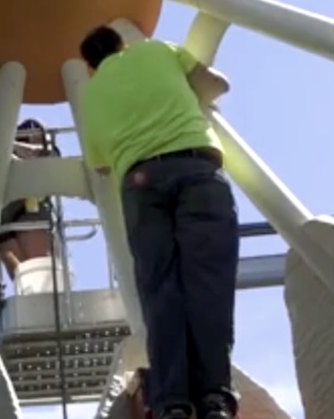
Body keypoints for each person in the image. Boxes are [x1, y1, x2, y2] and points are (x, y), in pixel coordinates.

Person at [77, 25, 239, 419]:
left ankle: (171, 405)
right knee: (208, 286)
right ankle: (214, 396)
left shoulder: (91, 93)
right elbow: (217, 85)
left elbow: (98, 162)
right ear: (122, 43)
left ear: (89, 66)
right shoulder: (159, 51)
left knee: (160, 293)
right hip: (195, 166)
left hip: (139, 183)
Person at [0, 100, 60, 281]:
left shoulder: (29, 127)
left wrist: (7, 144)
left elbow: (47, 155)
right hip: (4, 215)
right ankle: (29, 299)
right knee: (22, 280)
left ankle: (46, 297)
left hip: (31, 206)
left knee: (41, 274)